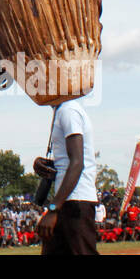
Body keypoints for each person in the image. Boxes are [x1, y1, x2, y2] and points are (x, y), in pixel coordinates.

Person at [33, 95, 99, 255]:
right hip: (67, 201)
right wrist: (47, 165)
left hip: (75, 202)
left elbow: (77, 163)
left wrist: (54, 209)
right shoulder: (61, 110)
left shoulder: (69, 110)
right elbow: (69, 161)